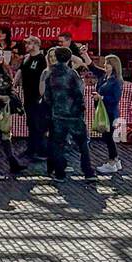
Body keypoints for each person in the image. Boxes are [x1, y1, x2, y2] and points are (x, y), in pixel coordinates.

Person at [45, 44, 96, 182]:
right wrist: (80, 108)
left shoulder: (50, 74)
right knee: (82, 145)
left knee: (58, 145)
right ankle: (88, 172)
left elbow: (47, 96)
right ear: (68, 59)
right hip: (74, 115)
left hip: (58, 115)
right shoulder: (72, 73)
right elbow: (79, 93)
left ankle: (60, 173)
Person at [84, 49, 125, 176]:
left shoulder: (116, 81)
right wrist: (84, 54)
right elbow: (92, 67)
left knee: (108, 137)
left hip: (110, 113)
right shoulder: (104, 76)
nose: (105, 65)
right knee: (107, 137)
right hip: (103, 111)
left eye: (107, 63)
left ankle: (112, 162)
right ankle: (116, 160)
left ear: (114, 65)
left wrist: (100, 98)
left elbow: (115, 99)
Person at [0, 50, 26, 175]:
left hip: (4, 107)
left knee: (5, 135)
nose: (1, 57)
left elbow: (9, 87)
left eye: (2, 55)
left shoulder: (4, 71)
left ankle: (12, 161)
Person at [19, 36, 51, 160]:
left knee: (39, 124)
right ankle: (31, 148)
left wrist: (42, 94)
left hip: (37, 96)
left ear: (36, 44)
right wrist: (13, 84)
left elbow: (45, 76)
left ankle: (41, 151)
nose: (26, 46)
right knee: (31, 123)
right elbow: (20, 72)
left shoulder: (42, 59)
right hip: (27, 95)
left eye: (29, 43)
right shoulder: (26, 58)